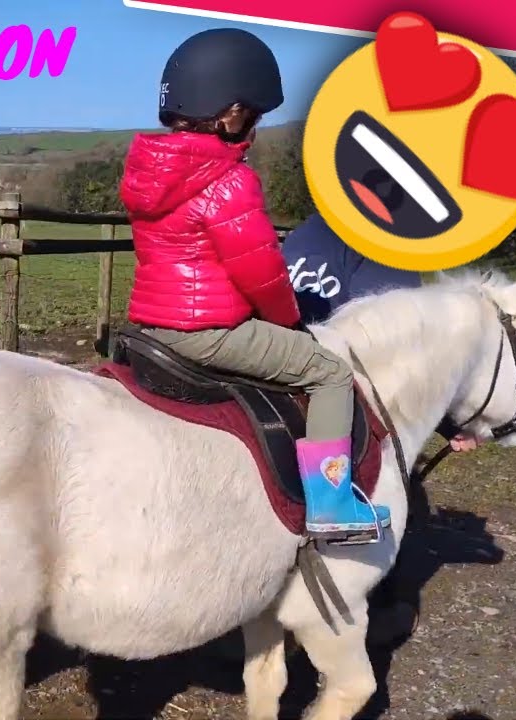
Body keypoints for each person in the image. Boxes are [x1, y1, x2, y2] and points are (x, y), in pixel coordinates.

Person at [119, 28, 390, 544]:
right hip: (208, 330)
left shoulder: (149, 171)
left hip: (152, 324)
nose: (256, 127)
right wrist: (289, 323)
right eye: (254, 115)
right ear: (230, 112)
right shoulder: (229, 179)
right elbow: (260, 271)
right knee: (328, 372)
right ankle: (332, 508)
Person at [281, 211, 481, 644]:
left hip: (273, 368)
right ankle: (378, 603)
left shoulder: (306, 230)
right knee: (386, 485)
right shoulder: (389, 248)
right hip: (329, 383)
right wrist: (450, 422)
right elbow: (397, 356)